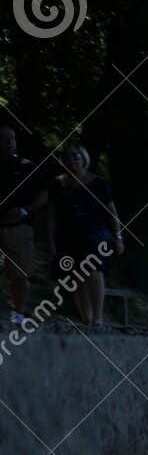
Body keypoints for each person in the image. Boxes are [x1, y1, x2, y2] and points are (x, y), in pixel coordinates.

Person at [48, 145, 123, 328]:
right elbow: (51, 215)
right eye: (67, 157)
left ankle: (98, 320)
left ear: (84, 158)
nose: (72, 160)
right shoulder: (57, 185)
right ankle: (86, 321)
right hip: (67, 237)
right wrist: (50, 240)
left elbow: (112, 212)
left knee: (95, 273)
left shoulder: (99, 183)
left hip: (96, 236)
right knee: (76, 279)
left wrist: (119, 237)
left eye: (76, 156)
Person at [0, 125, 46, 326]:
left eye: (13, 139)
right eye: (5, 139)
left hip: (19, 227)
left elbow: (43, 195)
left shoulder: (27, 167)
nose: (10, 143)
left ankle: (17, 314)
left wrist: (25, 210)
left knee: (19, 275)